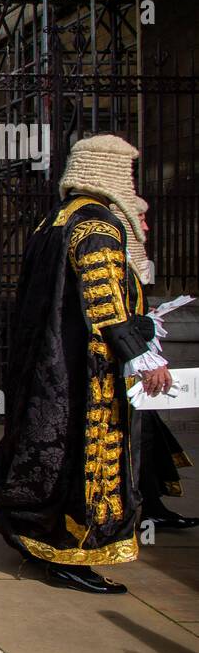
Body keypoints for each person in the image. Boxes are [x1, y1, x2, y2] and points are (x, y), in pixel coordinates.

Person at [0, 134, 171, 595]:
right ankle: (73, 552)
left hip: (43, 365)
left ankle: (35, 535)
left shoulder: (54, 220)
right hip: (82, 375)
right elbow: (105, 304)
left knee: (41, 453)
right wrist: (144, 357)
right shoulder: (98, 226)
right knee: (81, 463)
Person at [109, 196, 197, 531]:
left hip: (132, 363)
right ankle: (136, 509)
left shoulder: (133, 262)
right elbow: (110, 315)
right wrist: (141, 346)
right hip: (118, 365)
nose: (146, 225)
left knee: (143, 437)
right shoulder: (112, 258)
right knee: (133, 439)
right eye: (140, 218)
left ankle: (150, 505)